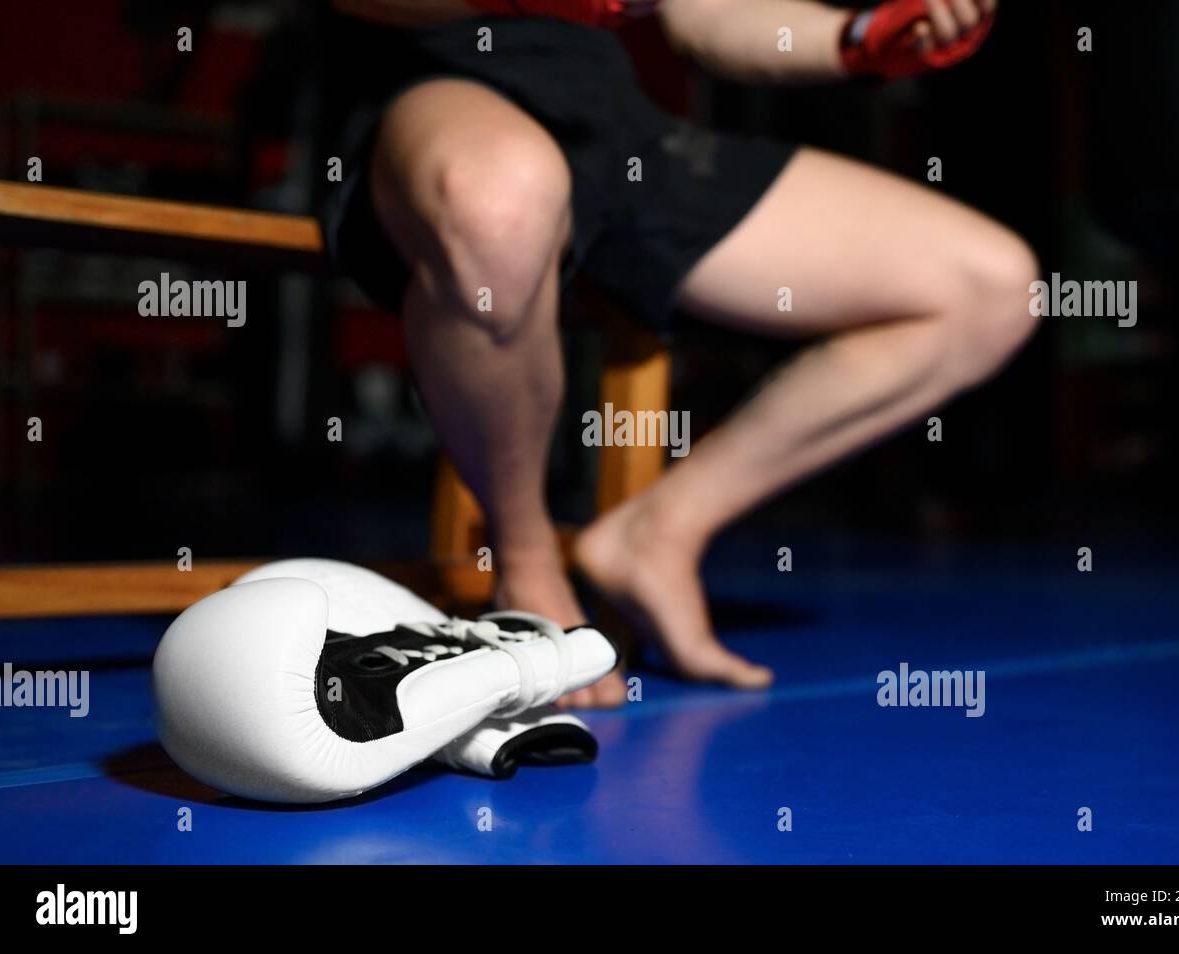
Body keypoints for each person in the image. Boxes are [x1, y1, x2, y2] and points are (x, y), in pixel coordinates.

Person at [324, 0, 1036, 707]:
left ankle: (658, 531)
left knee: (991, 289)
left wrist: (863, 37)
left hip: (616, 130)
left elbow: (706, 14)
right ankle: (525, 557)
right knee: (500, 202)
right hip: (435, 88)